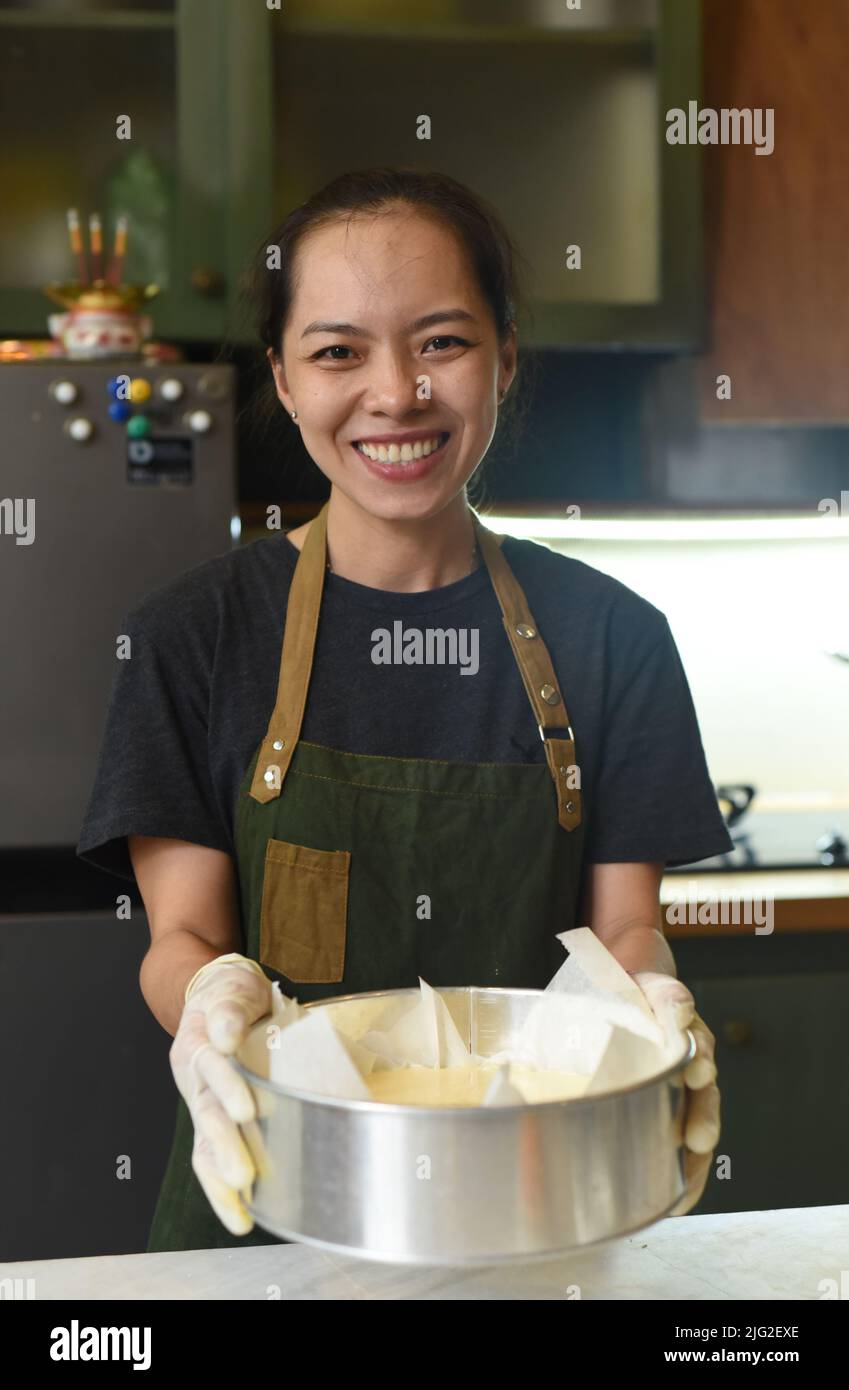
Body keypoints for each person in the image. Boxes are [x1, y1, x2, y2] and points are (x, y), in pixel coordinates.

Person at [77, 167, 733, 1253]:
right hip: (266, 1213)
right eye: (337, 351)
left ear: (505, 356)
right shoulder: (191, 640)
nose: (396, 393)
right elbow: (183, 935)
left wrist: (654, 1007)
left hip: (532, 1217)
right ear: (283, 379)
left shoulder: (617, 639)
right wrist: (209, 1001)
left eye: (441, 341)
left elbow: (626, 933)